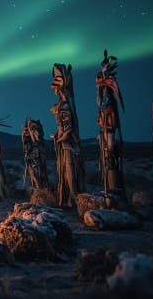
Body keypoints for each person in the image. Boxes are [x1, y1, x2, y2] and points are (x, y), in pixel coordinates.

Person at [50, 63, 85, 207]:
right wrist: (58, 135)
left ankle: (75, 198)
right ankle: (69, 199)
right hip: (65, 144)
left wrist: (60, 137)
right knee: (64, 171)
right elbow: (64, 128)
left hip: (68, 145)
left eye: (55, 87)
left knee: (70, 172)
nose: (53, 89)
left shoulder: (64, 107)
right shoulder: (63, 106)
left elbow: (68, 128)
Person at [96, 50, 126, 197]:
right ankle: (110, 188)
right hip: (105, 125)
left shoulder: (109, 97)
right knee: (107, 153)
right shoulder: (102, 96)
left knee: (111, 153)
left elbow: (110, 112)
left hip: (109, 126)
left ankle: (115, 191)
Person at [21, 118, 49, 190]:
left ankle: (41, 190)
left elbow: (38, 153)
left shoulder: (37, 143)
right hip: (32, 160)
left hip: (37, 161)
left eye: (28, 130)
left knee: (38, 174)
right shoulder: (28, 142)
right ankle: (38, 190)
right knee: (33, 174)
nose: (26, 132)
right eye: (25, 130)